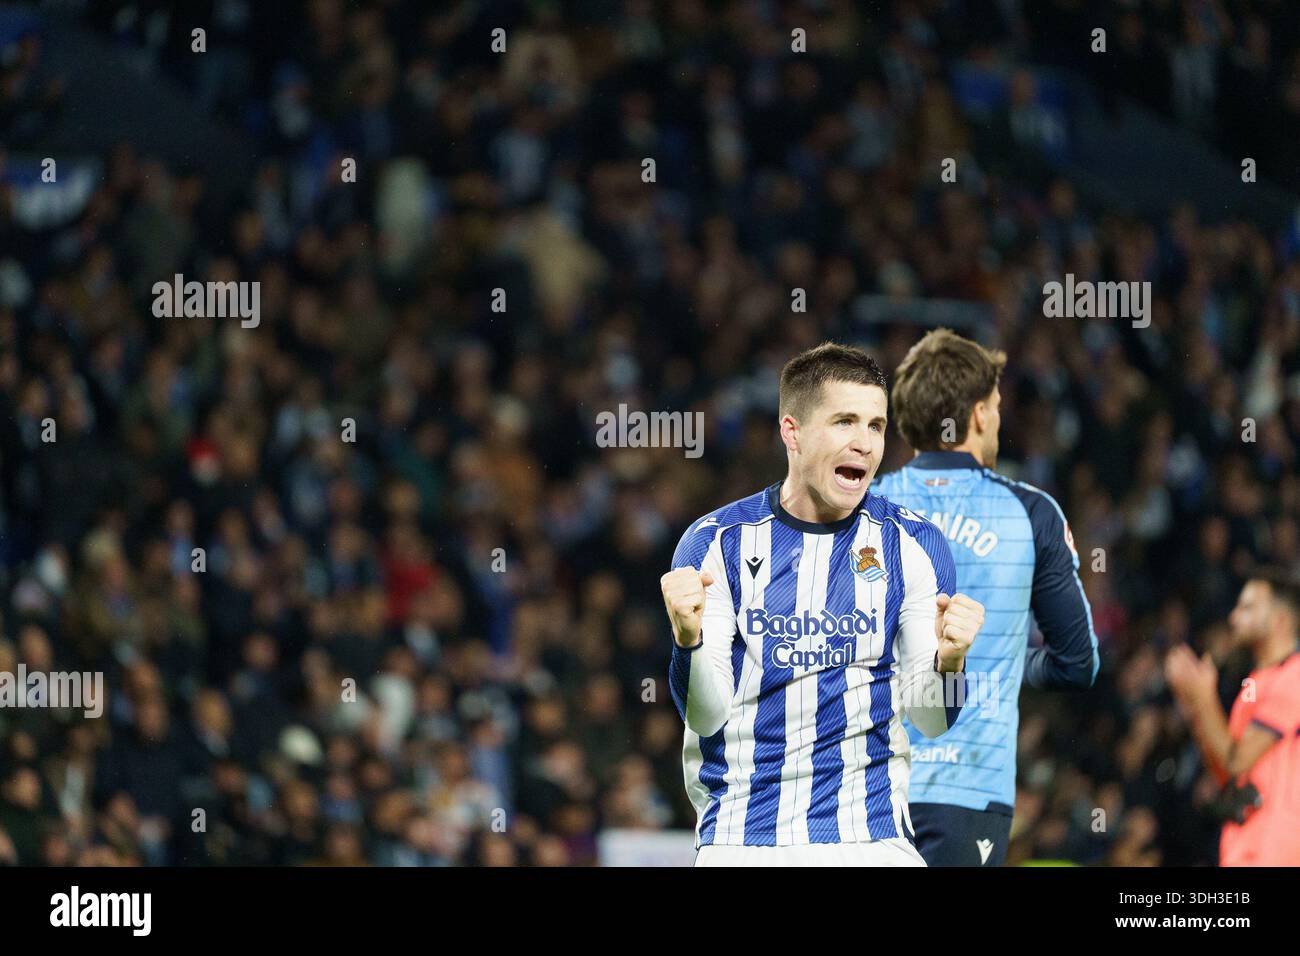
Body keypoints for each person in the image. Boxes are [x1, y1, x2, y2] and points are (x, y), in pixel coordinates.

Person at [661, 342, 984, 866]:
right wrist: (687, 641)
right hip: (744, 838)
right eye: (844, 422)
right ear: (792, 432)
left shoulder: (913, 544)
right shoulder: (718, 541)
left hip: (871, 839)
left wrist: (950, 663)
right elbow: (706, 713)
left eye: (876, 426)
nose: (864, 443)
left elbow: (930, 720)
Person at [873, 329, 1098, 866]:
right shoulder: (1030, 513)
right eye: (995, 406)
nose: (998, 418)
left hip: (863, 794)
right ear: (977, 415)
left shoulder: (865, 507)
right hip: (967, 794)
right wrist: (1007, 657)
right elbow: (1077, 663)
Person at [1166, 569, 1300, 867]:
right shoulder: (1253, 685)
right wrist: (1195, 709)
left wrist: (1204, 699)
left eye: (1249, 608)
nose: (1234, 617)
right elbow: (1227, 770)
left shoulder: (1295, 676)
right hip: (1245, 845)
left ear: (1281, 620)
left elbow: (1237, 759)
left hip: (1277, 847)